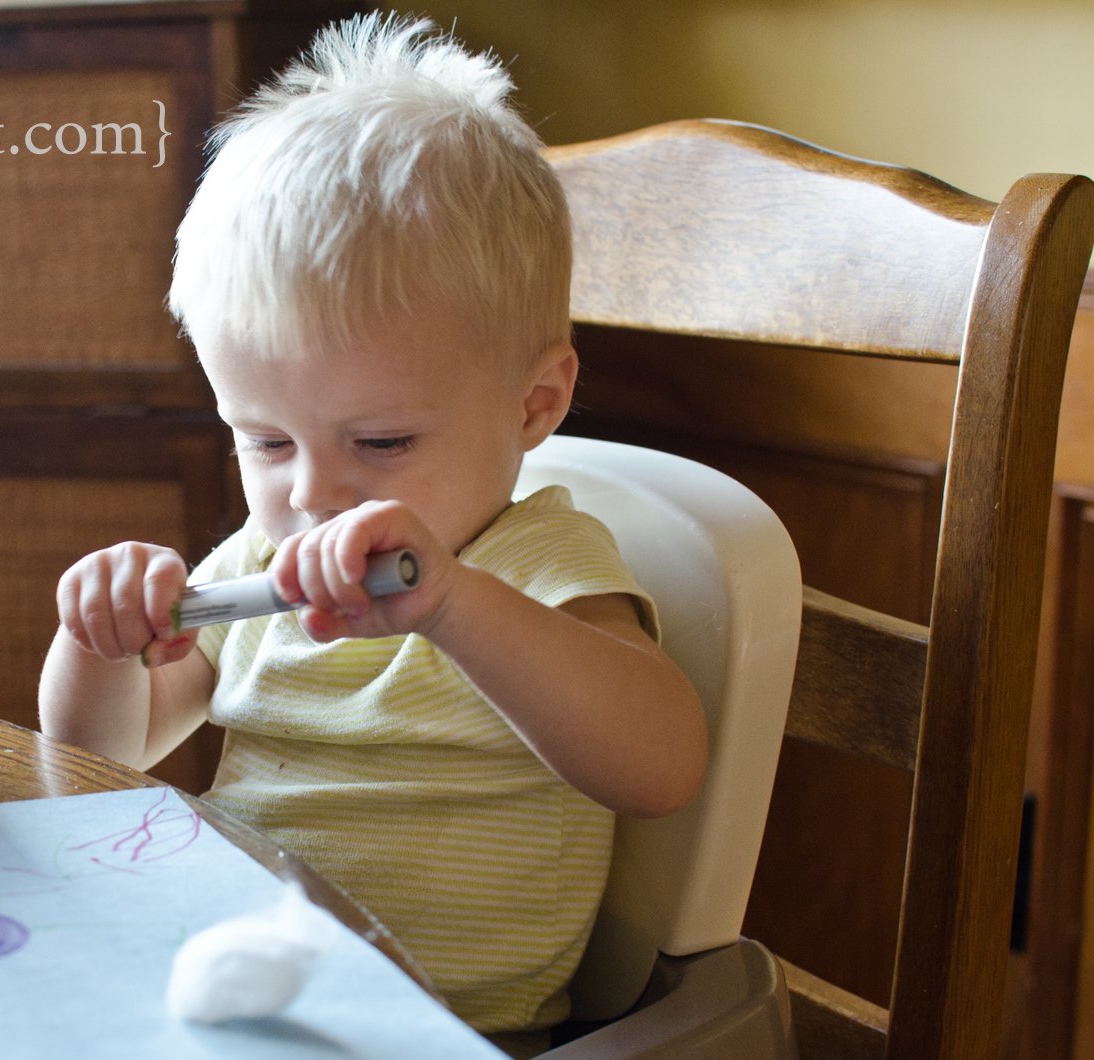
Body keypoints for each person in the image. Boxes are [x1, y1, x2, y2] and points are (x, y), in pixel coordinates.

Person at [39, 12, 706, 1041]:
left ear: (533, 404)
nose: (313, 494)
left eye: (383, 443)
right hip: (246, 995)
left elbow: (657, 767)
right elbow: (101, 759)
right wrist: (100, 643)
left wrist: (452, 608)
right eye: (264, 442)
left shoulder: (532, 566)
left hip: (439, 1025)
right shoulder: (258, 566)